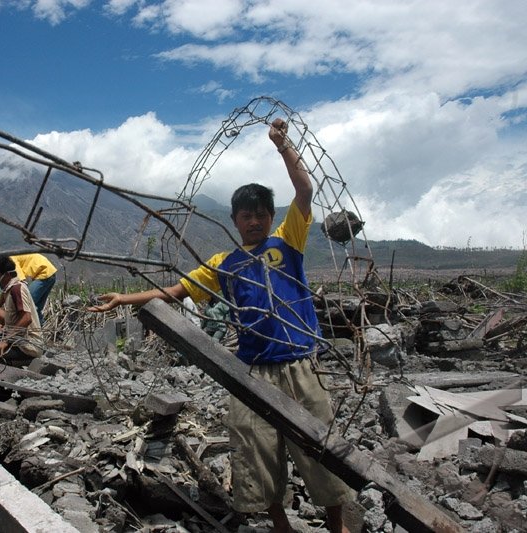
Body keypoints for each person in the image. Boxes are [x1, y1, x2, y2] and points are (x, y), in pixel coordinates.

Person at [88, 118, 353, 533]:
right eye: (247, 216)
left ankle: (337, 526)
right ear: (234, 219)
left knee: (321, 450)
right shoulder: (222, 264)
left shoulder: (288, 241)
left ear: (271, 217)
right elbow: (176, 291)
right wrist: (124, 298)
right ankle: (281, 524)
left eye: (261, 215)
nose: (254, 222)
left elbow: (304, 190)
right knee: (255, 451)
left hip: (300, 362)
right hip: (252, 370)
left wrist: (284, 146)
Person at [0, 255, 43, 367]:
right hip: (17, 339)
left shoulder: (17, 288)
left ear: (7, 275)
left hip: (28, 344)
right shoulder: (9, 291)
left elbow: (26, 318)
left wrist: (6, 341)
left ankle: (16, 363)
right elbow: (7, 319)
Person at [0, 247, 56, 325]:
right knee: (36, 309)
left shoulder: (11, 261)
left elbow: (19, 282)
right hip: (48, 272)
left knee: (28, 303)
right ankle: (40, 328)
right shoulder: (7, 261)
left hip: (44, 272)